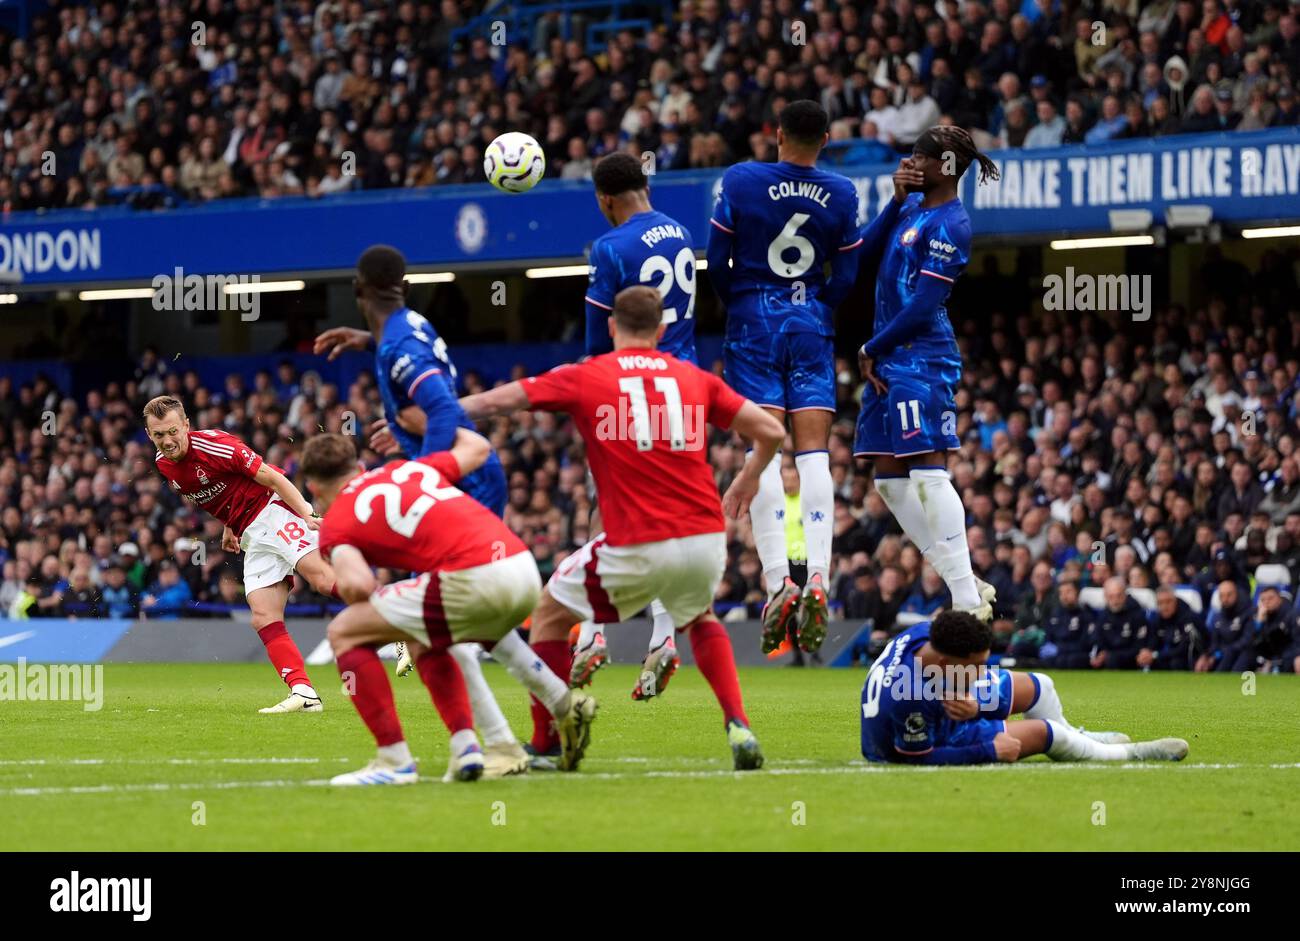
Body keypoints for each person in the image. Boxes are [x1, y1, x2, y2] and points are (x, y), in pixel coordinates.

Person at [460, 285, 787, 770]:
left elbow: (498, 403)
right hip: (702, 538)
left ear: (611, 326)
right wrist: (747, 476)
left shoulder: (587, 375)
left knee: (548, 613)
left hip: (636, 540)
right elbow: (774, 432)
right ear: (661, 330)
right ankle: (738, 724)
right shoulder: (695, 378)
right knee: (700, 618)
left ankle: (547, 741)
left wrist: (435, 414)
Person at [315, 245, 529, 773]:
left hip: (456, 487)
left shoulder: (402, 344)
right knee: (439, 626)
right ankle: (480, 744)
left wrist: (426, 473)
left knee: (434, 625)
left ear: (358, 291)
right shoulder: (404, 330)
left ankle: (467, 747)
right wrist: (367, 342)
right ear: (403, 287)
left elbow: (442, 408)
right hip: (466, 480)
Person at [304, 432, 596, 786]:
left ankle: (394, 761)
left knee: (344, 631)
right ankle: (545, 712)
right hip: (520, 564)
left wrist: (339, 550)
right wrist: (437, 416)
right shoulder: (407, 469)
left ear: (315, 489)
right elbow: (477, 447)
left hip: (472, 576)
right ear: (360, 466)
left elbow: (358, 586)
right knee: (420, 627)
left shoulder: (337, 524)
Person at [706, 99, 863, 656]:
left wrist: (743, 302)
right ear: (825, 137)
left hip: (753, 321)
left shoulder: (743, 179)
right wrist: (817, 305)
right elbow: (846, 274)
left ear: (776, 135)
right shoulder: (842, 193)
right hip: (810, 323)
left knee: (765, 449)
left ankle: (778, 581)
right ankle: (818, 574)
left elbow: (716, 258)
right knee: (815, 454)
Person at [853, 125, 1000, 625]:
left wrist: (872, 346)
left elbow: (923, 305)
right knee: (890, 484)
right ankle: (963, 577)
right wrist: (894, 201)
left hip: (920, 358)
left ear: (947, 167)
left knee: (927, 470)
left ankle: (963, 598)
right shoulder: (911, 210)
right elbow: (861, 258)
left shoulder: (952, 224)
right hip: (887, 357)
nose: (910, 165)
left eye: (920, 158)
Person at [568, 150, 702, 697]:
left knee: (610, 507)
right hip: (685, 389)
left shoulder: (611, 247)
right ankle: (664, 635)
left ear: (605, 199)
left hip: (629, 389)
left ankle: (593, 632)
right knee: (668, 515)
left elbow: (597, 338)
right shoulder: (681, 231)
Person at [144, 395, 334, 713]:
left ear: (186, 426)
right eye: (159, 435)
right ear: (150, 435)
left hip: (273, 511)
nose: (168, 440)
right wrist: (230, 524)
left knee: (321, 579)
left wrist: (305, 513)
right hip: (249, 531)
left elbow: (272, 477)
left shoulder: (217, 445)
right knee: (263, 616)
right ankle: (304, 692)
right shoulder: (164, 466)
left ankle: (393, 620)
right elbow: (213, 493)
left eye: (173, 431)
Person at [860, 609, 1189, 765]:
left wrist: (974, 706)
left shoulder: (926, 634)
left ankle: (1080, 735)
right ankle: (1132, 754)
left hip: (940, 695)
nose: (983, 672)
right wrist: (988, 751)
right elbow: (916, 759)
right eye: (976, 666)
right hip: (928, 737)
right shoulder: (909, 697)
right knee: (1048, 734)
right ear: (950, 661)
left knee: (1040, 686)